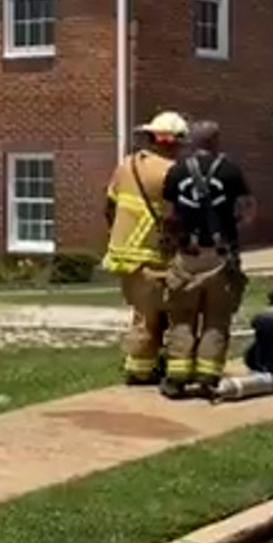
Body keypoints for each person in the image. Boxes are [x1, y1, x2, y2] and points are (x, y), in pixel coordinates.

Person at [158, 120, 254, 398]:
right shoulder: (231, 171)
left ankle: (176, 379)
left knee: (182, 319)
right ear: (215, 142)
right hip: (220, 256)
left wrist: (173, 240)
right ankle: (207, 377)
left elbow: (167, 213)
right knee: (217, 318)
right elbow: (248, 210)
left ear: (191, 142)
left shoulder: (175, 172)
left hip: (187, 255)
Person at [101, 111, 188, 384]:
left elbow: (109, 207)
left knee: (143, 314)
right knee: (156, 318)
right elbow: (179, 218)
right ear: (175, 142)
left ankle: (142, 367)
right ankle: (143, 372)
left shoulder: (127, 166)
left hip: (122, 255)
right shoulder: (173, 173)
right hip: (151, 258)